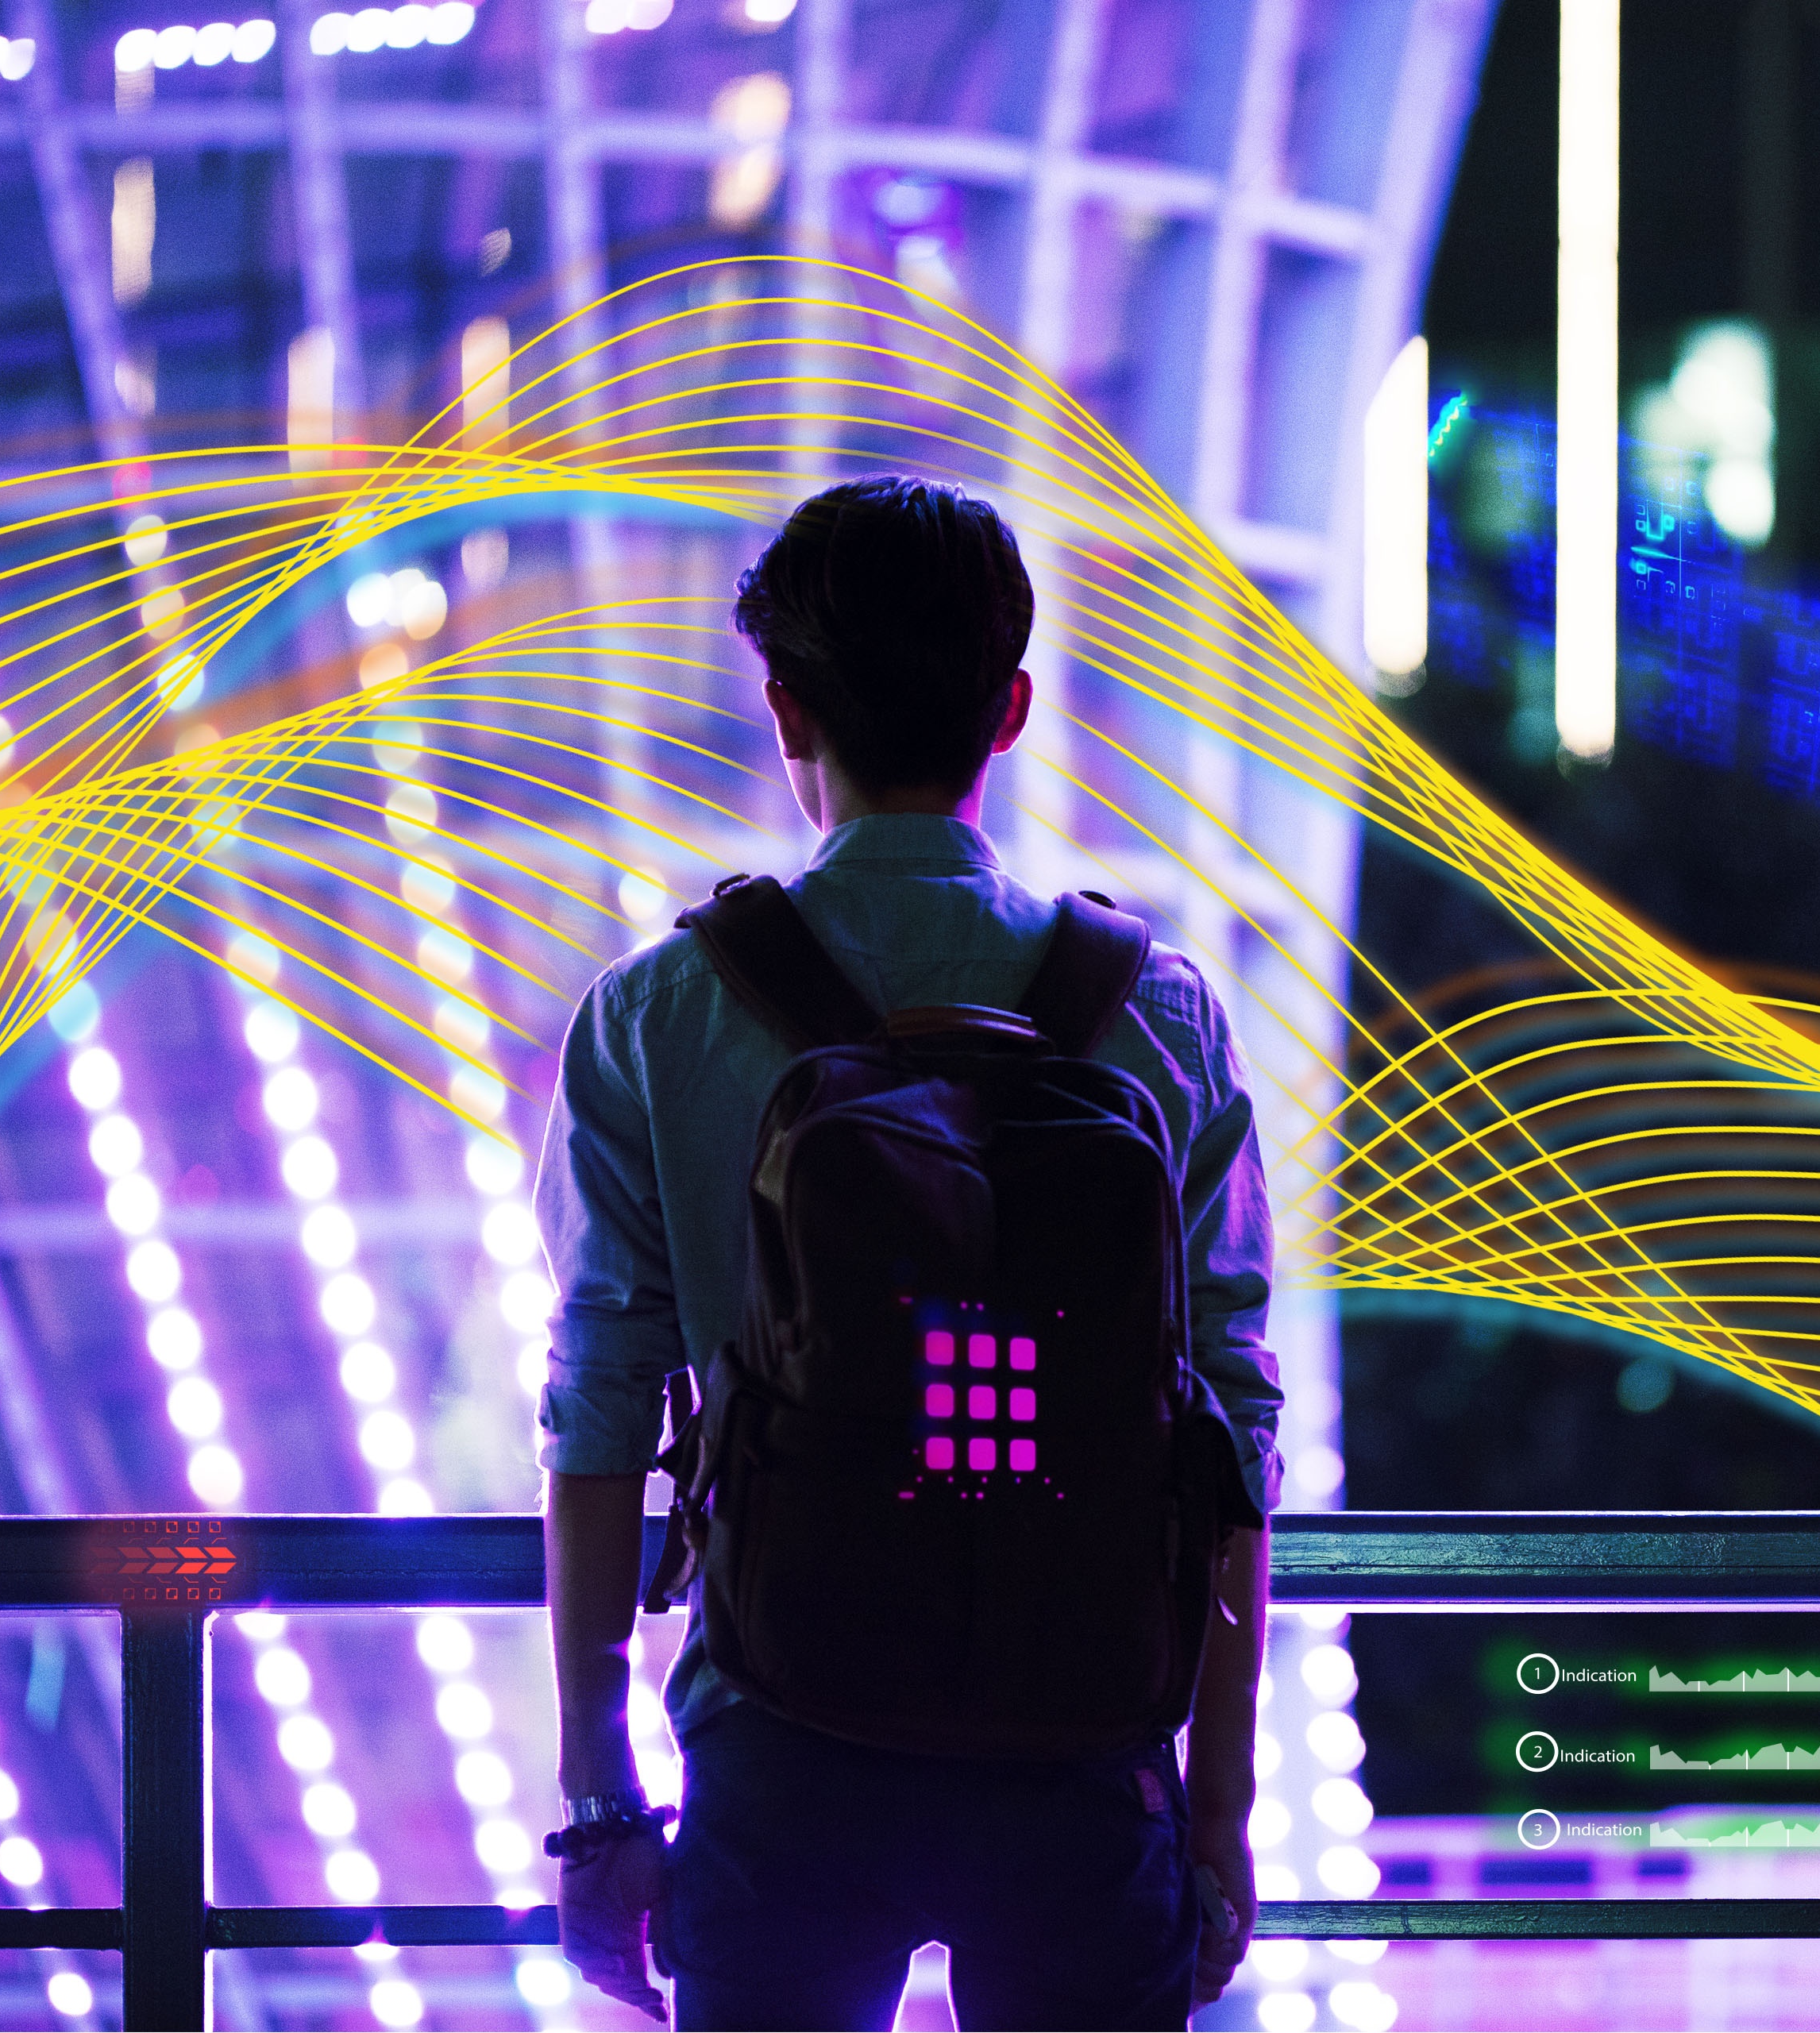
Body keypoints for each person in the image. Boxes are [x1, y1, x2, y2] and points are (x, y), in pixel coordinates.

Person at [534, 474, 1282, 2031]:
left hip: (782, 1736)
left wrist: (604, 1794)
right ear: (1011, 708)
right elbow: (1230, 1436)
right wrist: (1215, 1809)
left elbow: (601, 1408)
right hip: (1086, 1754)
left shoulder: (659, 1010)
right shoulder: (1161, 1013)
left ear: (784, 706)